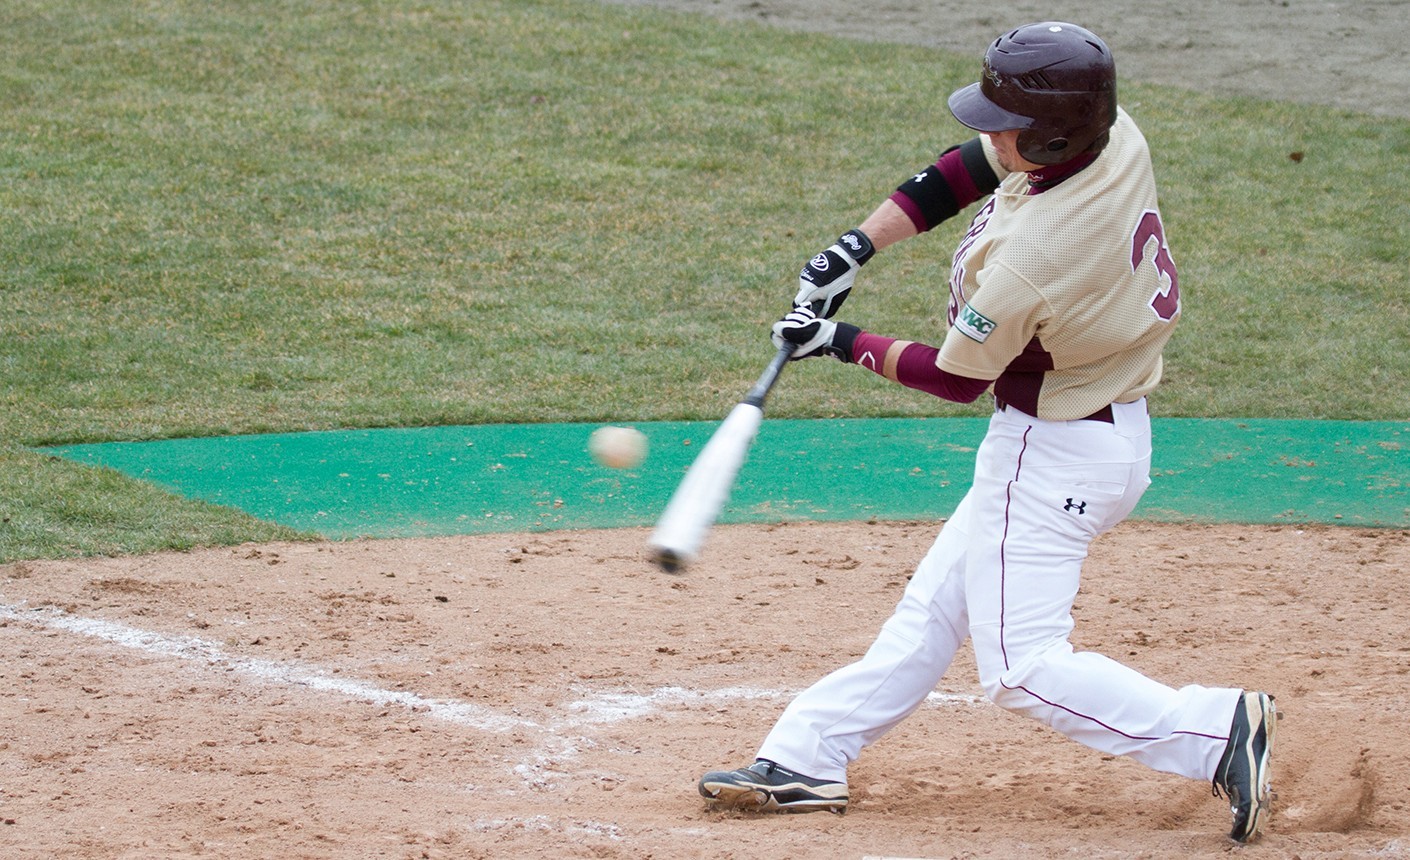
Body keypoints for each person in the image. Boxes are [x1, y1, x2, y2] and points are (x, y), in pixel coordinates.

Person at [697, 22, 1277, 844]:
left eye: (1002, 119)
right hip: (1102, 431)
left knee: (1021, 670)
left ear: (1049, 134)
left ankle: (1217, 733)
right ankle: (807, 757)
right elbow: (978, 164)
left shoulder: (1031, 258)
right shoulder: (1112, 138)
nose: (984, 132)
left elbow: (958, 377)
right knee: (933, 611)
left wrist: (840, 342)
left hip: (1051, 454)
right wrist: (859, 245)